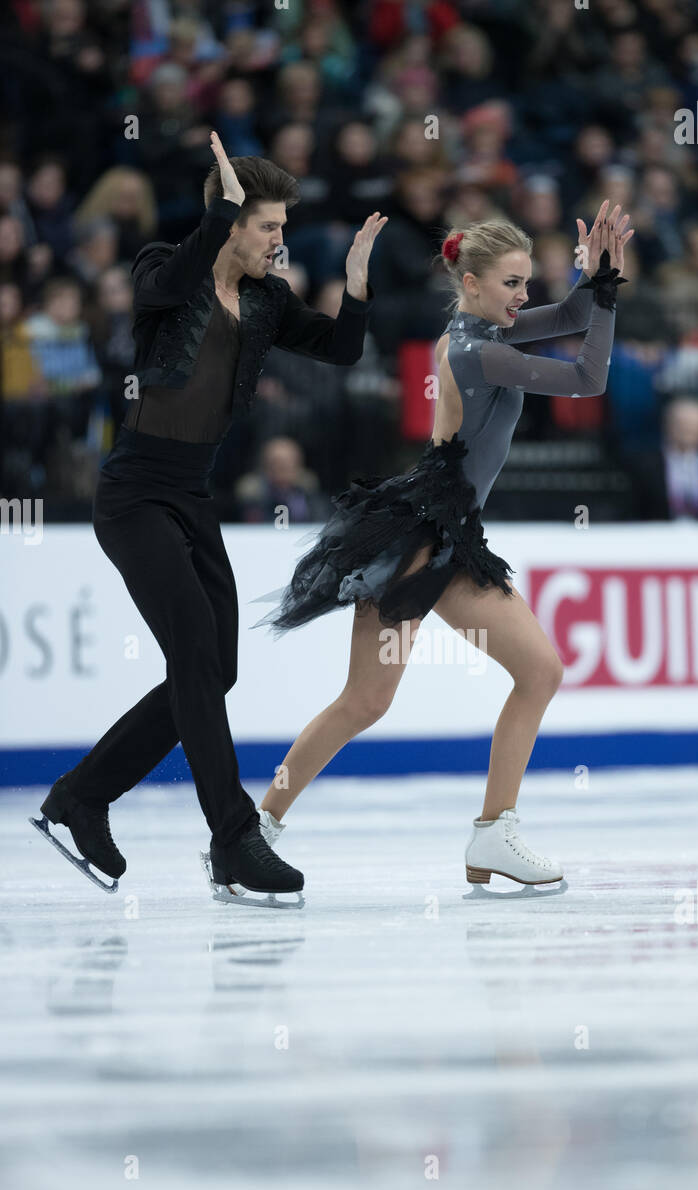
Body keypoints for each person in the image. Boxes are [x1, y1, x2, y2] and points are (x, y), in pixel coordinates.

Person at [32, 133, 385, 901]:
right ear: (230, 223)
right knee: (195, 655)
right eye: (267, 227)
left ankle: (81, 797)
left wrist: (355, 289)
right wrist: (219, 213)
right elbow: (174, 281)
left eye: (283, 229)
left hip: (194, 497)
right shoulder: (164, 269)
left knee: (213, 669)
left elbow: (341, 351)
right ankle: (233, 837)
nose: (279, 242)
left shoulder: (265, 301)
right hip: (133, 496)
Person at [249, 200, 632, 886]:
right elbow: (588, 377)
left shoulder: (481, 332)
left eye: (526, 283)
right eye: (512, 283)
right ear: (473, 282)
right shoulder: (477, 350)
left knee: (406, 694)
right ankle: (256, 834)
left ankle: (488, 832)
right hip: (425, 540)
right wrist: (602, 291)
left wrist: (598, 281)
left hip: (441, 530)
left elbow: (574, 321)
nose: (524, 295)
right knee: (376, 700)